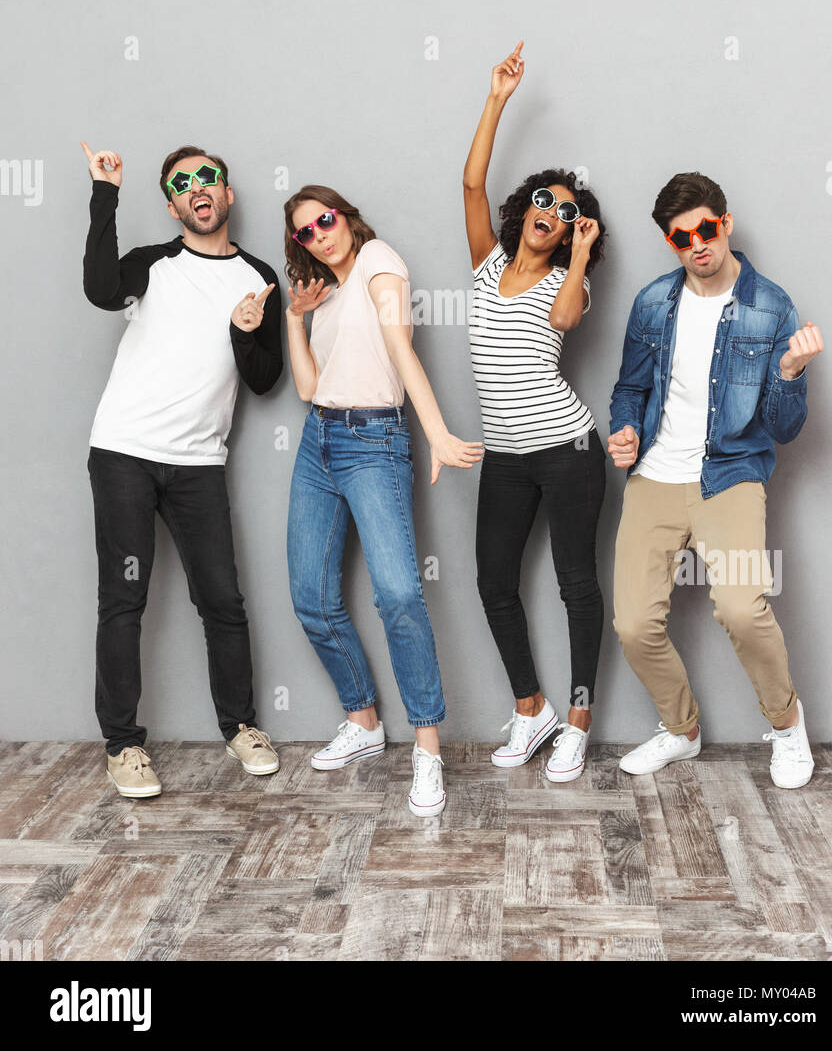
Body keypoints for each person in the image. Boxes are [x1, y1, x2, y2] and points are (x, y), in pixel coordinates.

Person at [608, 171, 823, 788]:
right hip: (654, 476)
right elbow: (630, 388)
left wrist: (788, 371)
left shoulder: (771, 305)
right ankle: (681, 730)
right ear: (671, 244)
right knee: (633, 624)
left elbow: (786, 429)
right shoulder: (652, 301)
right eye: (682, 237)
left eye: (706, 228)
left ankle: (786, 726)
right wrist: (625, 430)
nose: (697, 244)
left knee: (740, 606)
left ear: (724, 223)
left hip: (730, 475)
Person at [82, 142, 282, 797]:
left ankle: (241, 726)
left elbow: (263, 381)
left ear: (226, 194)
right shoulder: (150, 265)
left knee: (222, 600)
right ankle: (123, 745)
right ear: (173, 204)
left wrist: (248, 331)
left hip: (199, 463)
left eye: (208, 178)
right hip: (125, 454)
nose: (197, 188)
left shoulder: (257, 279)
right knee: (124, 599)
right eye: (183, 183)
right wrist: (105, 190)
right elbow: (99, 290)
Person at [284, 184, 483, 818]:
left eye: (325, 220)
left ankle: (428, 749)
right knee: (311, 596)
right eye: (305, 233)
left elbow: (400, 347)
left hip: (375, 441)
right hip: (319, 441)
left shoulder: (379, 261)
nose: (320, 234)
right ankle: (364, 720)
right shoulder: (326, 296)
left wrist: (437, 432)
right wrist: (295, 316)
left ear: (345, 217)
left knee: (397, 593)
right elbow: (309, 387)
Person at [463, 42, 608, 782]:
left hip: (569, 452)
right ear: (525, 211)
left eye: (569, 211)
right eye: (545, 201)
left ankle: (578, 721)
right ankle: (533, 709)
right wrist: (497, 98)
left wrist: (579, 251)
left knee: (575, 583)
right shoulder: (487, 260)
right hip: (507, 457)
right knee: (493, 583)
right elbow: (470, 181)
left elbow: (564, 319)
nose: (552, 212)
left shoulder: (564, 280)